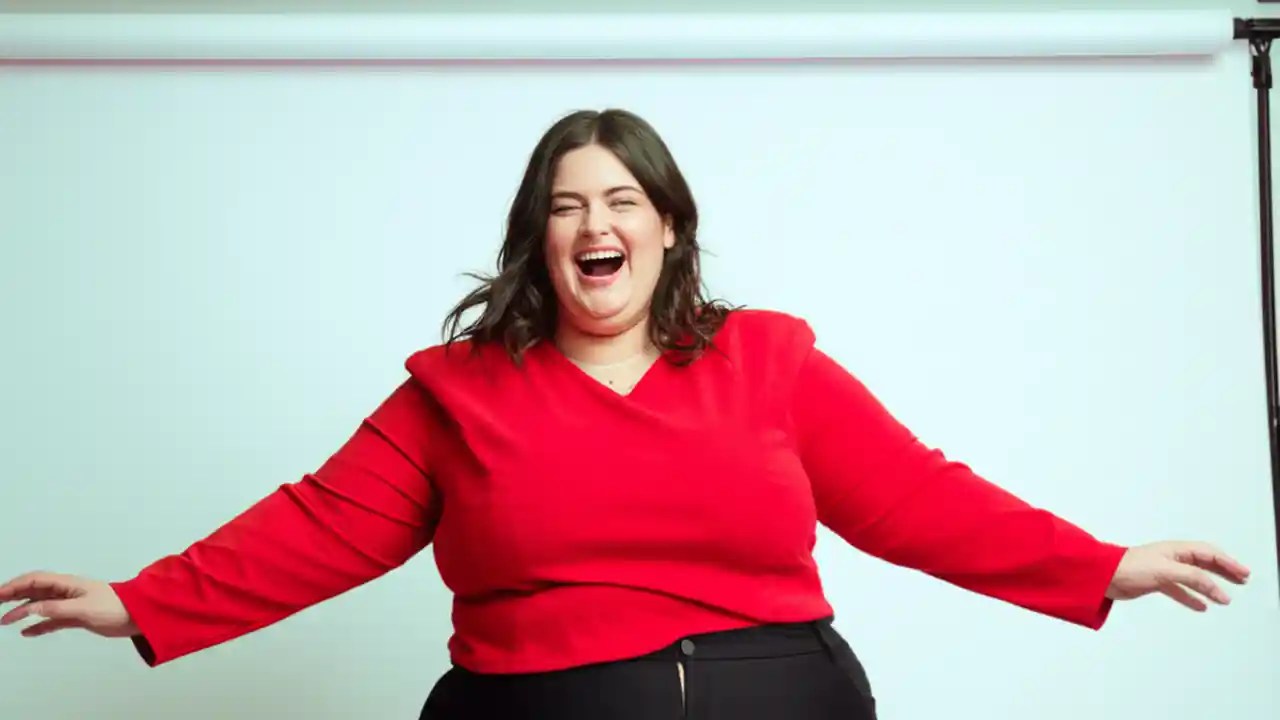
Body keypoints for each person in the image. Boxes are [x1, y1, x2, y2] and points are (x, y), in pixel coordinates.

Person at [0, 108, 1252, 719]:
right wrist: (140, 603)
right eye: (564, 205)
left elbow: (916, 499)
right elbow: (319, 526)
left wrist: (1102, 566)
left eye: (620, 200)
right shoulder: (458, 395)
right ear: (536, 238)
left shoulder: (770, 360)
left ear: (666, 225)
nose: (594, 224)